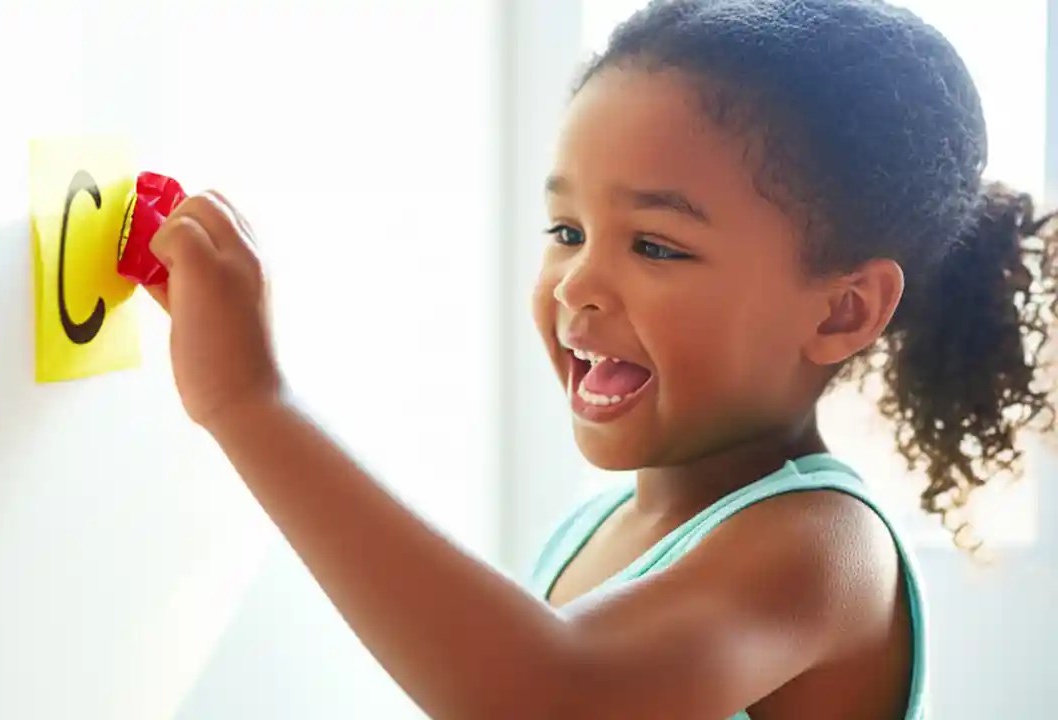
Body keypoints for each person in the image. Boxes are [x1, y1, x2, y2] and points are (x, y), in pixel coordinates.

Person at [144, 1, 1058, 717]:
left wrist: (251, 403)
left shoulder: (822, 550)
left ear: (843, 309)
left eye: (655, 245)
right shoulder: (596, 530)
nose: (578, 282)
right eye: (567, 229)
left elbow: (548, 694)